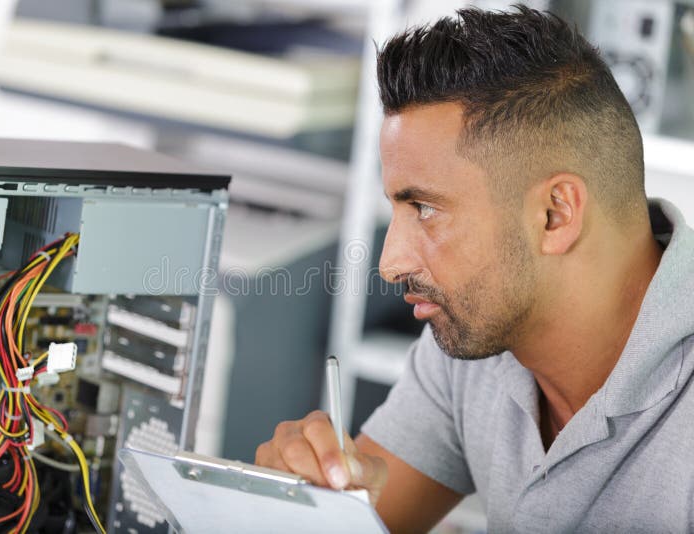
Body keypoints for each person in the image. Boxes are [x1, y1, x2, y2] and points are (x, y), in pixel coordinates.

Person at [254, 5, 694, 533]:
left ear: (555, 215)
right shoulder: (477, 335)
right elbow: (353, 517)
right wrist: (308, 499)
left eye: (427, 209)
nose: (391, 265)